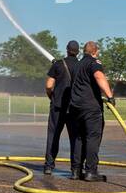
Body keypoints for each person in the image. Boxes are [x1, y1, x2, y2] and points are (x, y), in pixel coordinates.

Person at [69, 40, 117, 182]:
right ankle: (91, 171)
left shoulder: (77, 65)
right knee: (92, 138)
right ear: (95, 51)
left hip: (76, 107)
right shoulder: (94, 63)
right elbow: (99, 76)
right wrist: (110, 96)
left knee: (78, 138)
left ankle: (76, 171)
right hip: (90, 108)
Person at [42, 40, 81, 175]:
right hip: (74, 107)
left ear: (67, 50)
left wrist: (52, 96)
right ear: (78, 52)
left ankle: (49, 166)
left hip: (57, 107)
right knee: (75, 138)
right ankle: (75, 169)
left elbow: (49, 85)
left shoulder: (58, 64)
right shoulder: (81, 66)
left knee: (53, 136)